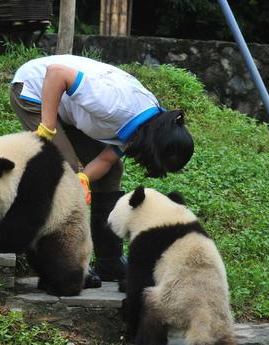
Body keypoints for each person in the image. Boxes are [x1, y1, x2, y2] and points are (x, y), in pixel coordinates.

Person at [10, 54, 194, 284]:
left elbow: (105, 160)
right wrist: (47, 127)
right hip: (35, 90)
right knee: (63, 170)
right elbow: (56, 73)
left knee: (111, 172)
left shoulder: (147, 127)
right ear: (153, 148)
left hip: (69, 108)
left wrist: (84, 178)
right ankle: (65, 264)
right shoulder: (113, 105)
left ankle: (110, 260)